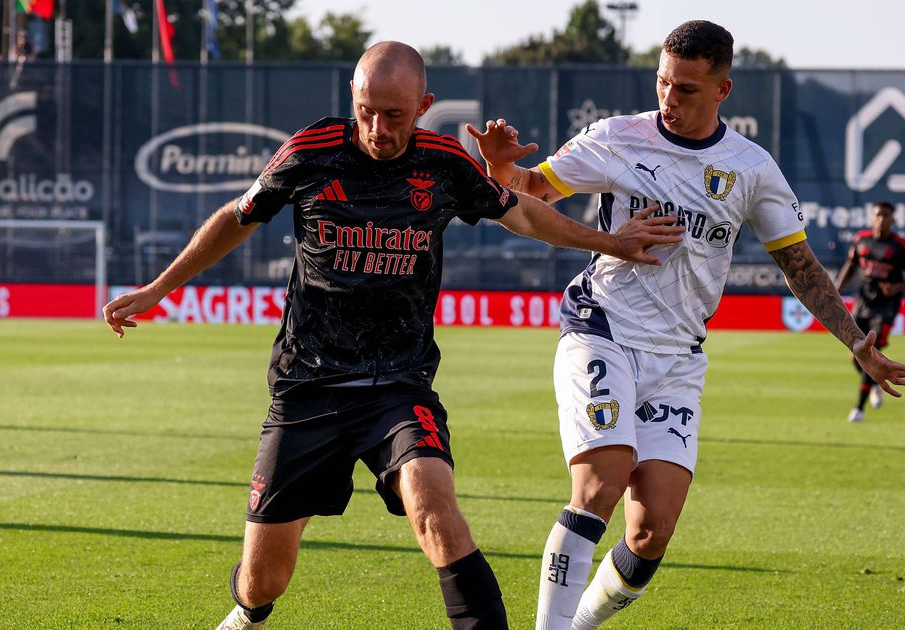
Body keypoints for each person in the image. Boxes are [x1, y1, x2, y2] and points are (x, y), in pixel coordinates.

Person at [103, 42, 683, 630]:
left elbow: (525, 213)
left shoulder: (443, 162)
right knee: (263, 581)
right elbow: (239, 216)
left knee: (436, 510)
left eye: (395, 115)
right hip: (308, 388)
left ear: (424, 105)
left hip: (398, 388)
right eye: (366, 111)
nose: (378, 128)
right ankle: (247, 614)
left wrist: (611, 242)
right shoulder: (311, 151)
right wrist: (157, 288)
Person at [467, 20, 905, 630]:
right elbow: (528, 195)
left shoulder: (752, 169)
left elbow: (801, 266)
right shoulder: (617, 138)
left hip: (679, 357)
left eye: (685, 89)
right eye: (662, 83)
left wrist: (856, 345)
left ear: (722, 90)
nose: (669, 100)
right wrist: (498, 168)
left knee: (651, 533)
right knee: (599, 487)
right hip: (601, 328)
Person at [834, 201, 905, 422]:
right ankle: (875, 383)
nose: (881, 219)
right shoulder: (861, 240)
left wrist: (897, 287)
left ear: (893, 219)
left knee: (871, 351)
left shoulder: (901, 247)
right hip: (863, 302)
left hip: (885, 306)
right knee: (856, 356)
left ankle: (859, 409)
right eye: (878, 215)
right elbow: (851, 265)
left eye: (886, 215)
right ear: (872, 217)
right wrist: (836, 289)